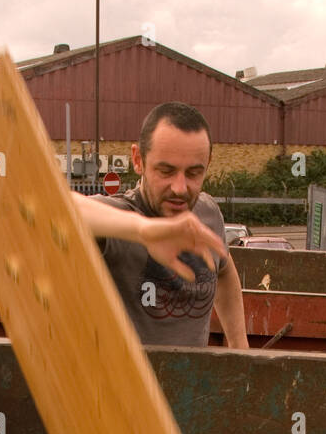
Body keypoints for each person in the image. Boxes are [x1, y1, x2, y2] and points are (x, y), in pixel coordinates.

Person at [72, 102, 248, 349]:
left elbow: (225, 270)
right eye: (166, 171)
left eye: (194, 173)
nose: (180, 188)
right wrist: (142, 230)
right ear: (138, 159)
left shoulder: (207, 213)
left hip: (195, 385)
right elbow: (54, 205)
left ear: (208, 162)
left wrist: (240, 347)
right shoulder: (114, 220)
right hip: (128, 387)